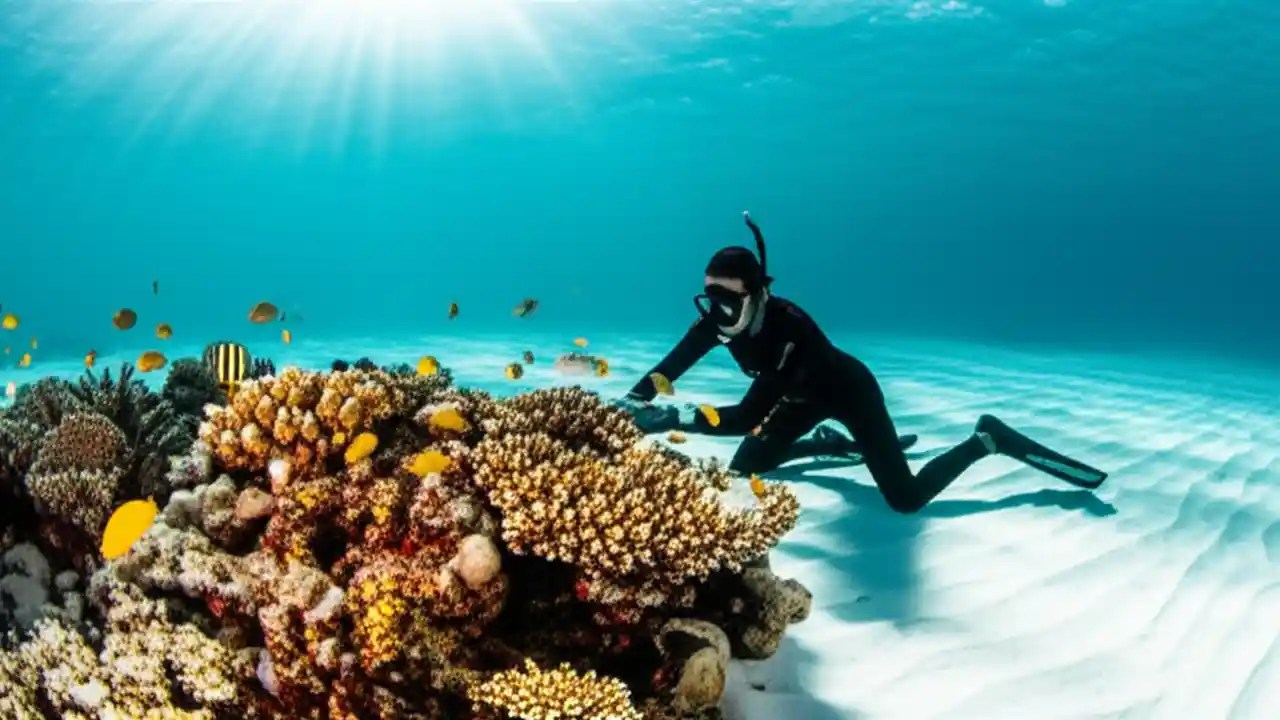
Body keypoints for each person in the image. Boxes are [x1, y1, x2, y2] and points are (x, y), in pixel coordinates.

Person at [614, 212, 1108, 514]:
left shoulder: (791, 331)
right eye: (709, 299)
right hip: (797, 400)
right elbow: (668, 369)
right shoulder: (715, 322)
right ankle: (829, 446)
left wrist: (673, 419)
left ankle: (988, 439)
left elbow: (746, 416)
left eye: (728, 301)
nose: (716, 313)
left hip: (849, 392)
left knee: (905, 500)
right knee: (749, 462)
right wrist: (630, 403)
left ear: (760, 295)